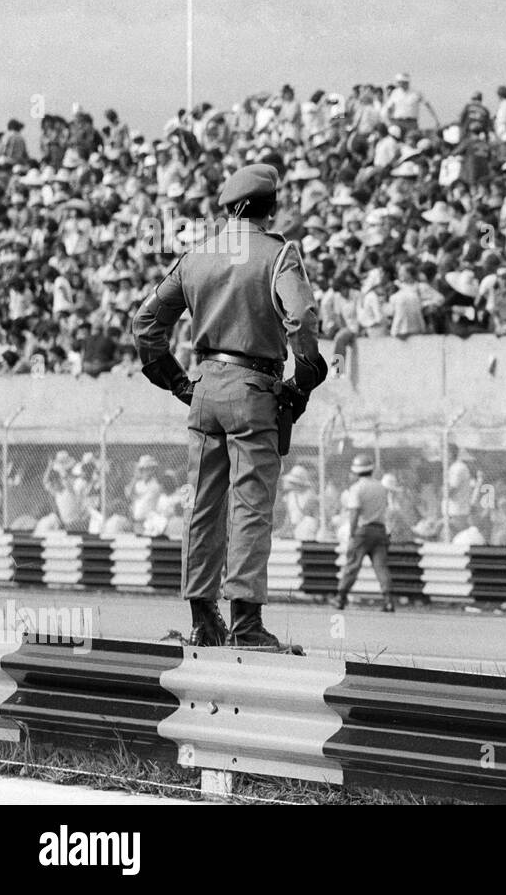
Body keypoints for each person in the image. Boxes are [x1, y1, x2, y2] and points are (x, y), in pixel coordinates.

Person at [133, 163, 327, 651]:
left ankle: (204, 618)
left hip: (203, 388)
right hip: (254, 391)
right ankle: (247, 623)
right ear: (271, 207)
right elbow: (301, 315)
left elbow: (145, 322)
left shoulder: (196, 255)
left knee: (201, 503)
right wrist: (304, 374)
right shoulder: (279, 253)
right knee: (250, 505)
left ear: (226, 208)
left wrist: (176, 380)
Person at [331, 454, 394, 612]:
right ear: (371, 469)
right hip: (380, 530)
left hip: (363, 530)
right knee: (381, 567)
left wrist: (352, 533)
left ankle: (340, 597)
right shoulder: (381, 487)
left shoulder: (356, 488)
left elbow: (354, 514)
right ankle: (388, 600)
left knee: (352, 565)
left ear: (355, 471)